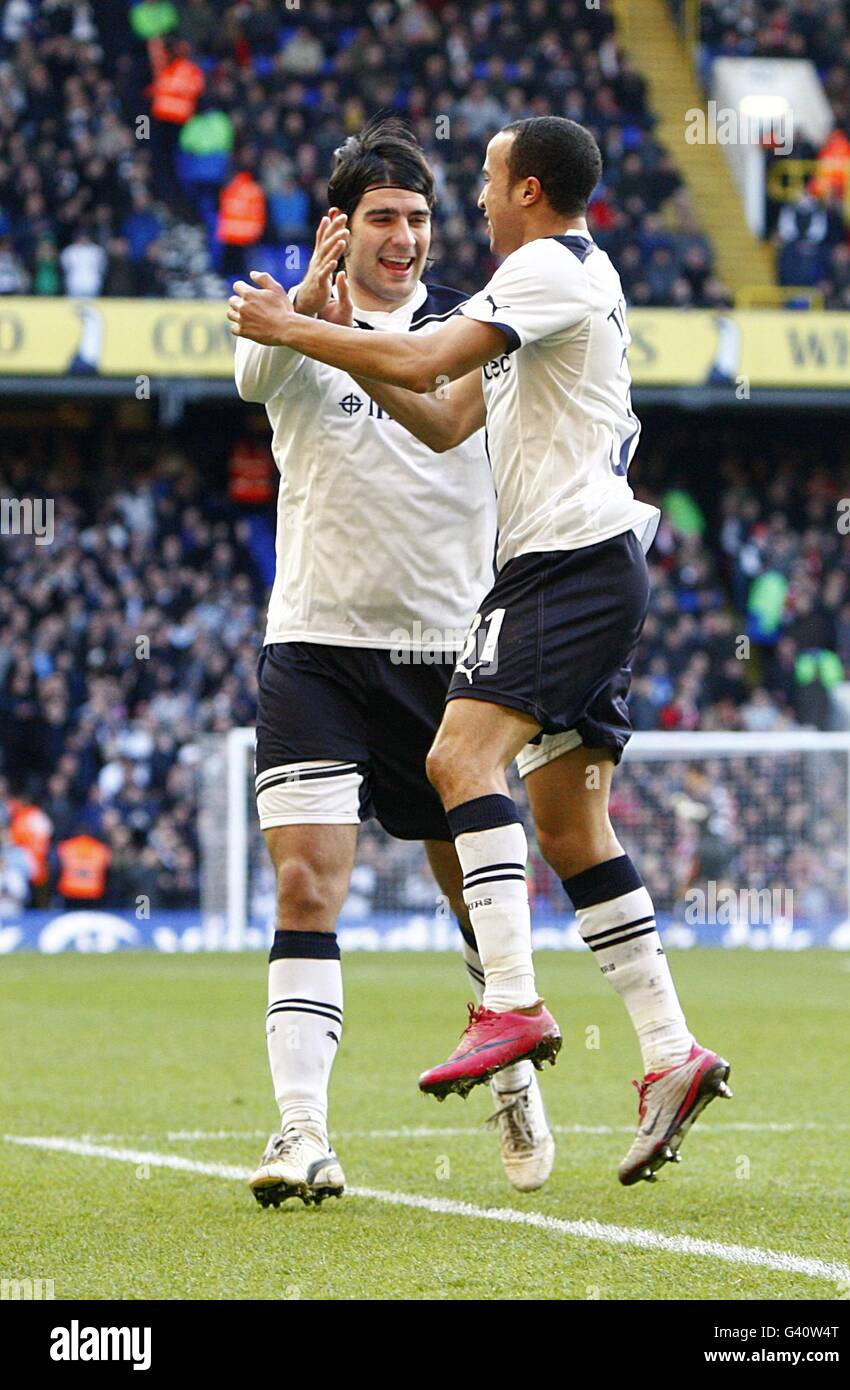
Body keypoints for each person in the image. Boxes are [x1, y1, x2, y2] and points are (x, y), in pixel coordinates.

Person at [229, 115, 732, 1187]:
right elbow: (445, 416)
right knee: (564, 823)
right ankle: (665, 1049)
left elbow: (417, 358)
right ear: (343, 227)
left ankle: (509, 1012)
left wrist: (300, 330)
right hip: (337, 640)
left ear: (530, 190)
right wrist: (302, 319)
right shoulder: (517, 296)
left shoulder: (534, 277)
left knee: (462, 772)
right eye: (390, 216)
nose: (452, 213)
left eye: (471, 189)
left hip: (535, 584)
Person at [233, 117, 555, 1209]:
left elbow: (466, 426)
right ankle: (301, 1132)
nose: (405, 236)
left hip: (443, 662)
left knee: (472, 903)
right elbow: (250, 371)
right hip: (316, 651)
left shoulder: (468, 336)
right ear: (342, 226)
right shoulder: (282, 330)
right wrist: (304, 293)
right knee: (305, 882)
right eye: (382, 218)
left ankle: (510, 1063)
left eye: (418, 217)